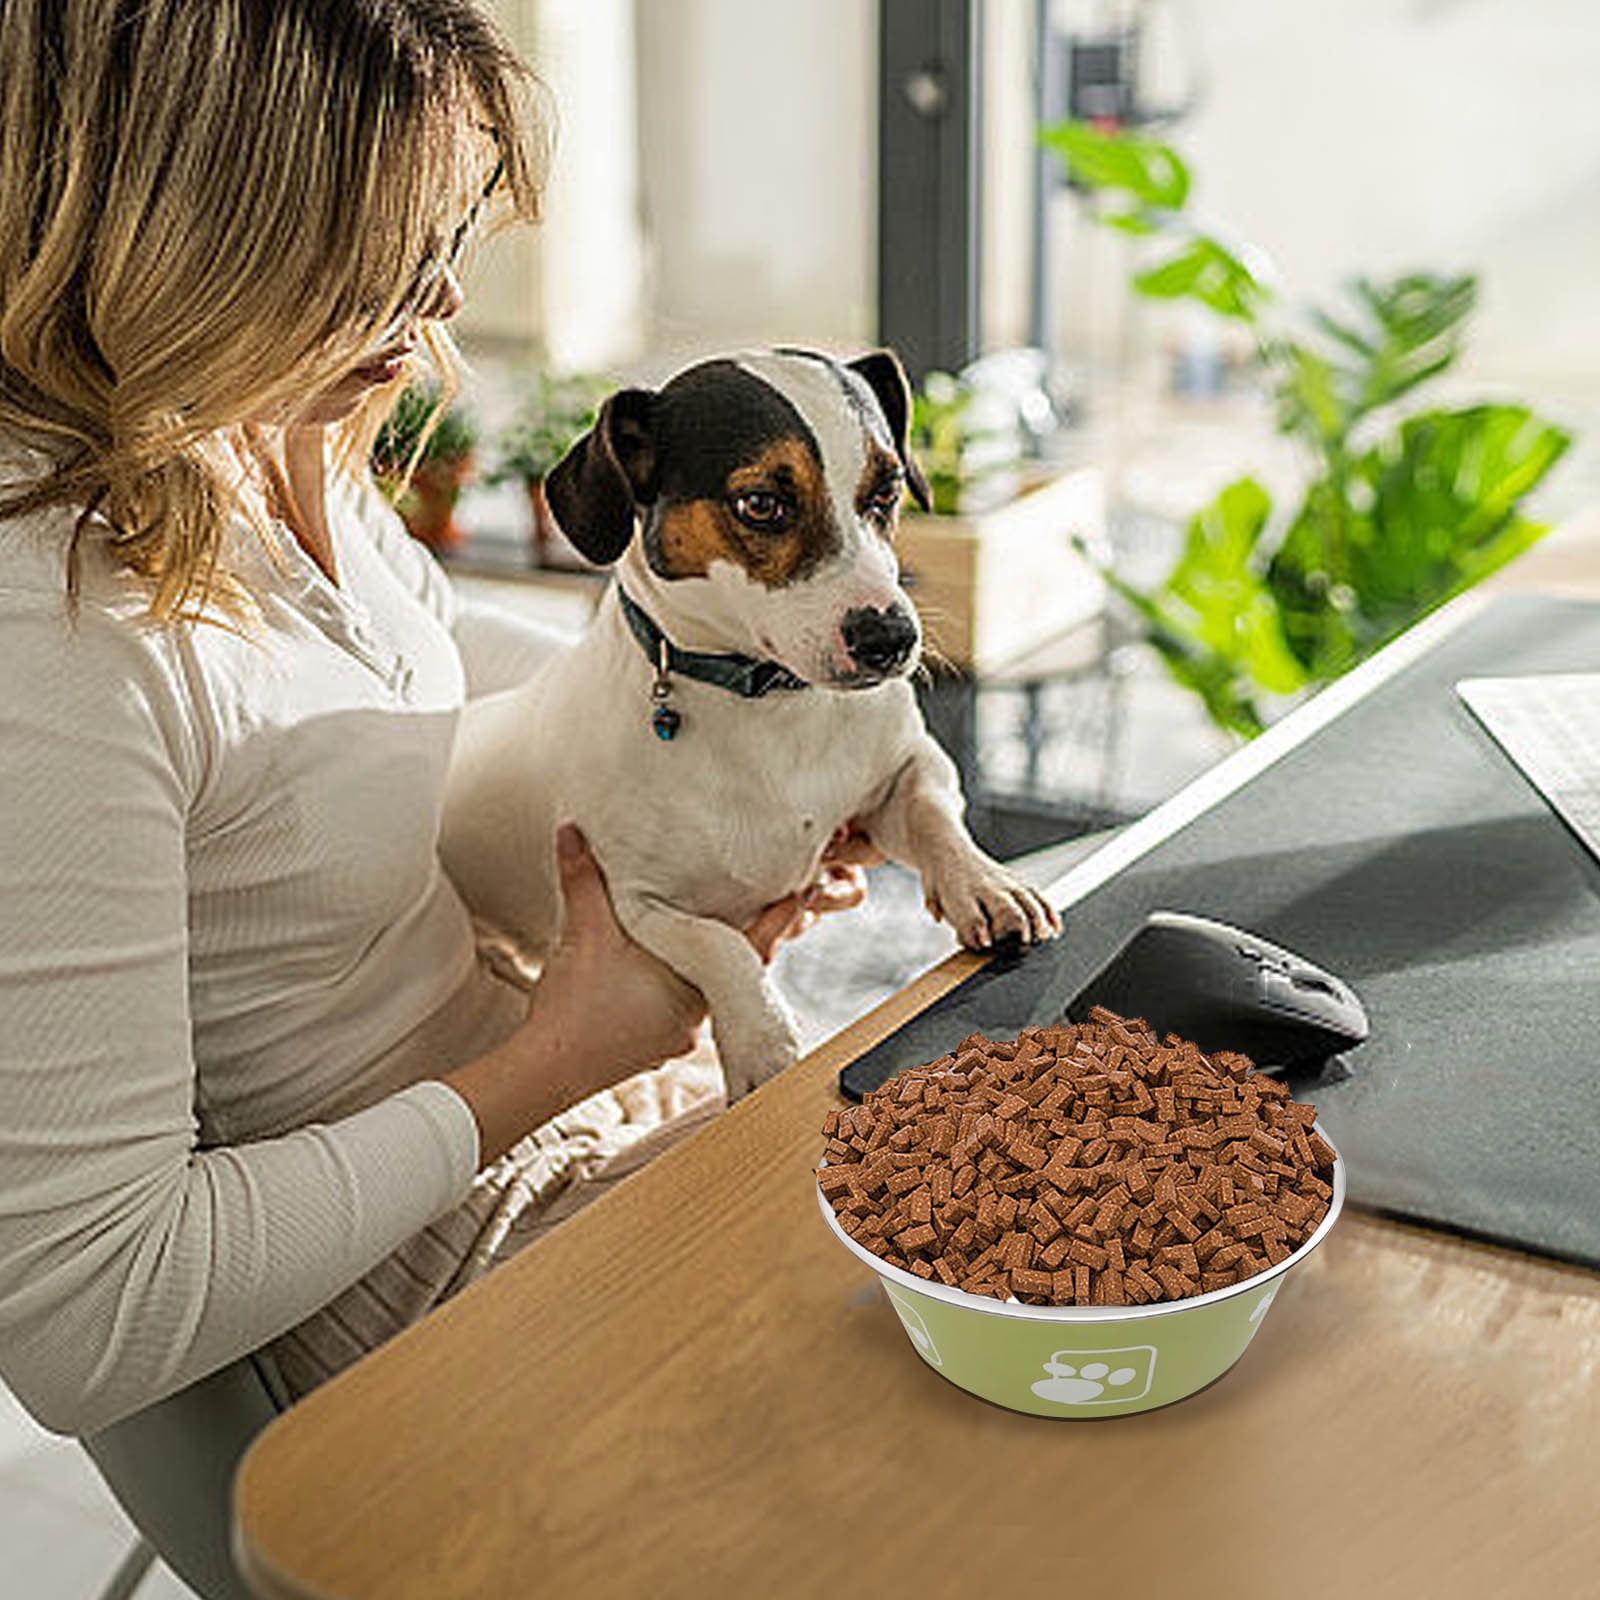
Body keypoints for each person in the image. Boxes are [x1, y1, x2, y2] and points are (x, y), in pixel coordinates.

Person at [0, 0, 874, 1437]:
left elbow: (411, 660)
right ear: (193, 235)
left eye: (449, 241)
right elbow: (92, 1320)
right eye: (386, 266)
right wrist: (564, 1059)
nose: (448, 305)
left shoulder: (252, 426)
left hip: (553, 1090)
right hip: (429, 1272)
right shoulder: (51, 624)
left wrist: (750, 731)